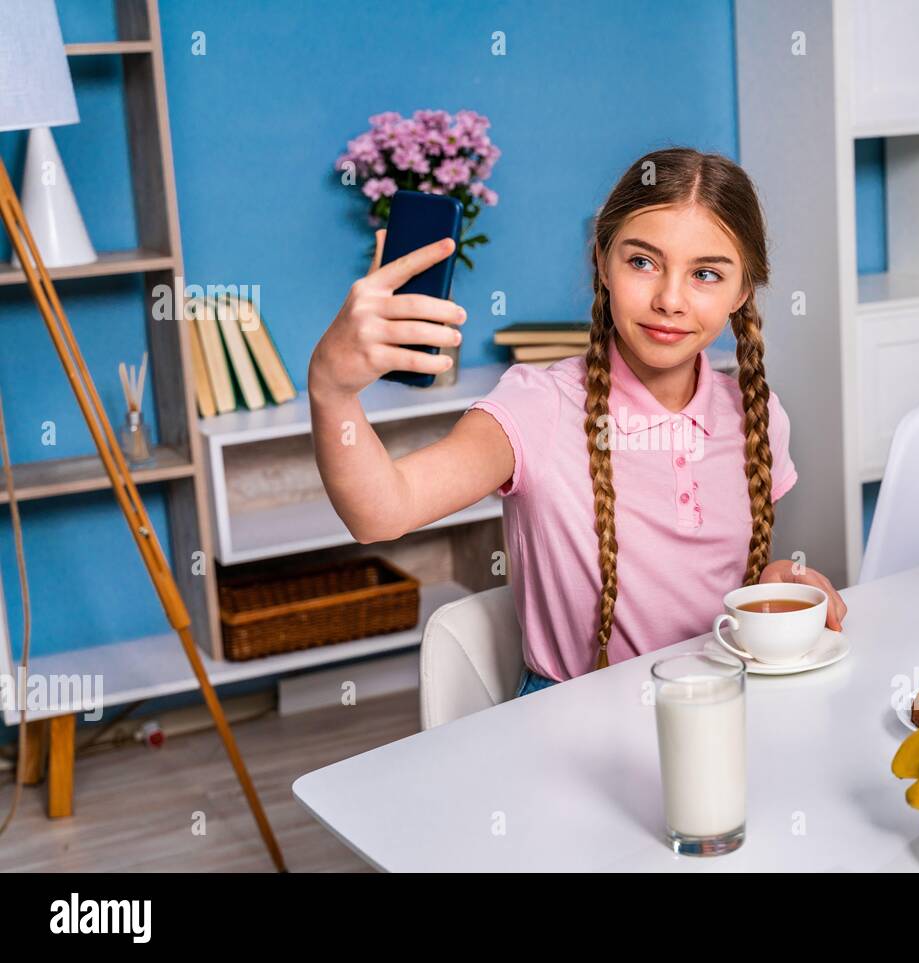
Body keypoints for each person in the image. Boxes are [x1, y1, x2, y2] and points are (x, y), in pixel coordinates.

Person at [309, 147, 847, 700]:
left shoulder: (756, 415)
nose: (669, 299)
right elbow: (381, 510)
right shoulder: (539, 407)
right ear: (602, 261)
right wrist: (331, 388)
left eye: (706, 274)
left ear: (742, 291)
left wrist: (768, 589)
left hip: (719, 699)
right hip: (568, 716)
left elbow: (700, 587)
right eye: (642, 262)